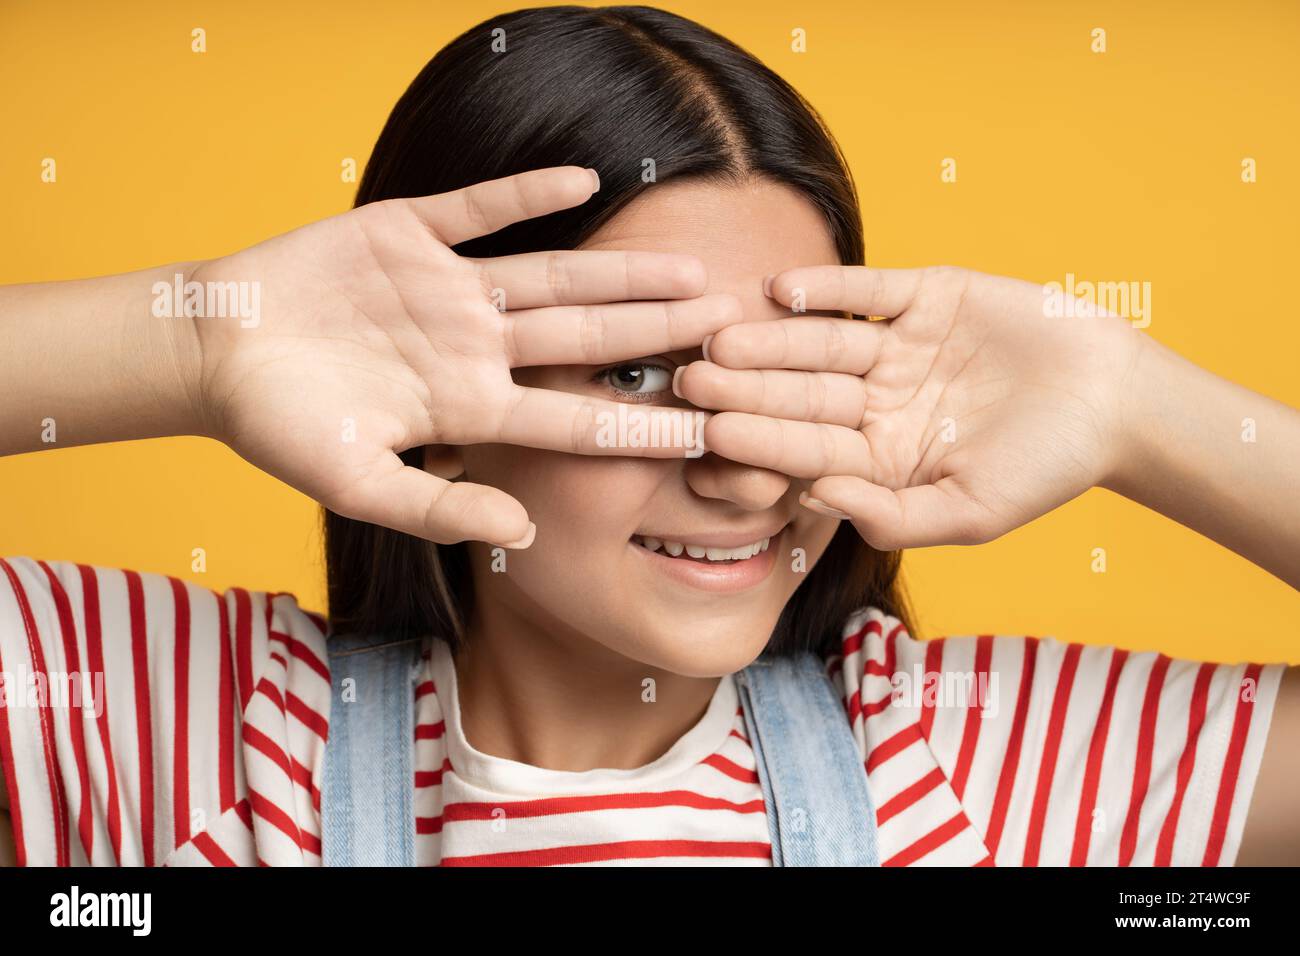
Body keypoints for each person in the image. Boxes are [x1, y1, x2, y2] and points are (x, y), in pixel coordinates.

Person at [0, 5, 1296, 867]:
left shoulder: (961, 756)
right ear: (425, 408)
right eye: (637, 372)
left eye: (800, 374)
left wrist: (1130, 405)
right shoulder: (181, 728)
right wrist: (195, 342)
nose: (745, 471)